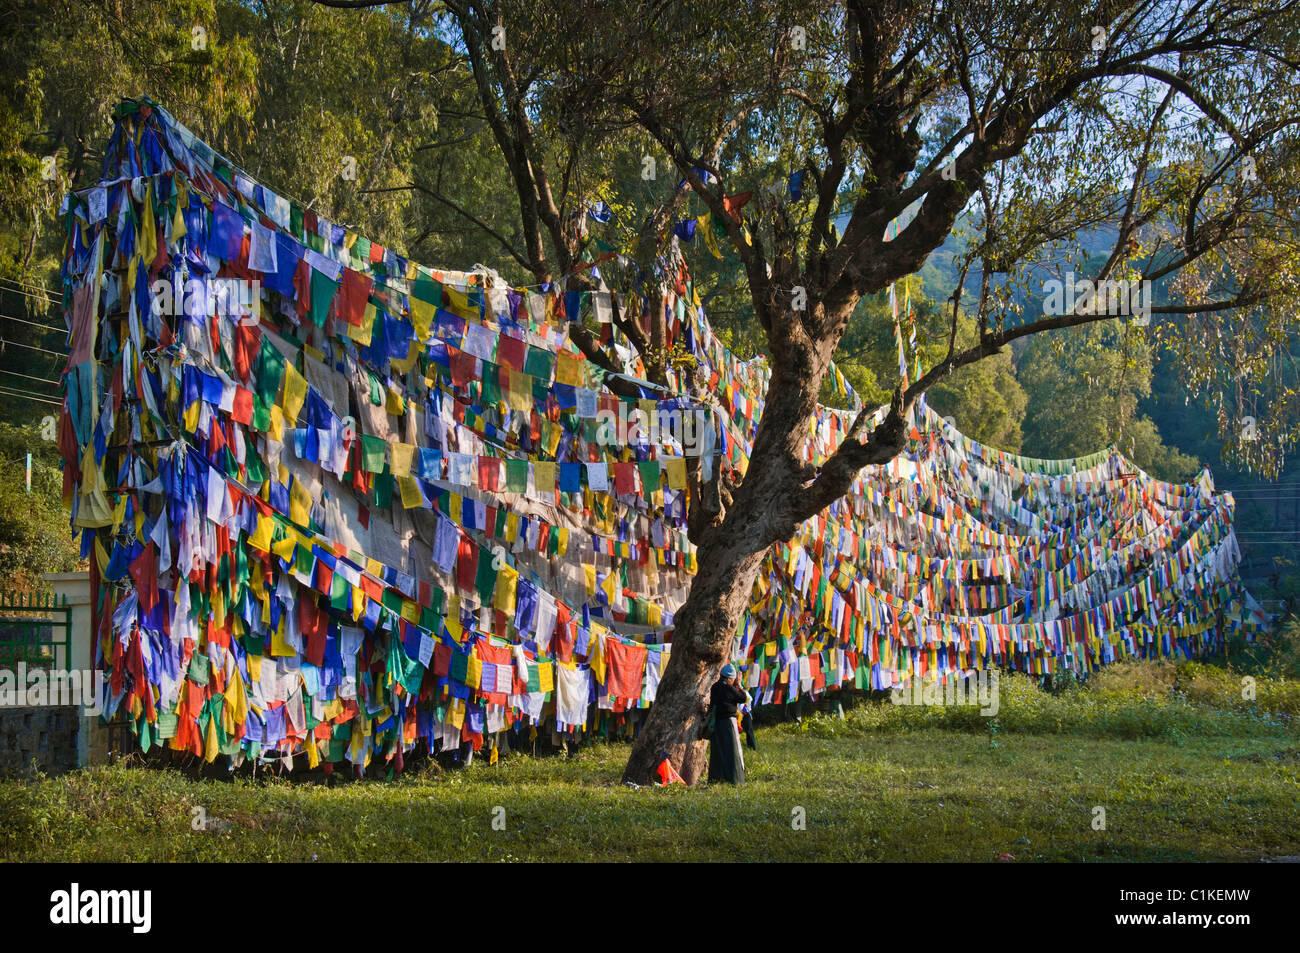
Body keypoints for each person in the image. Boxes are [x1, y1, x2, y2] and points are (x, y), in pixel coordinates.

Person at [707, 663, 751, 784]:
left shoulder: (715, 687)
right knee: (733, 751)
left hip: (716, 722)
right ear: (730, 678)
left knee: (718, 751)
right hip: (728, 722)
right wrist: (739, 684)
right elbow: (743, 698)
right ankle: (735, 779)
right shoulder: (729, 688)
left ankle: (716, 779)